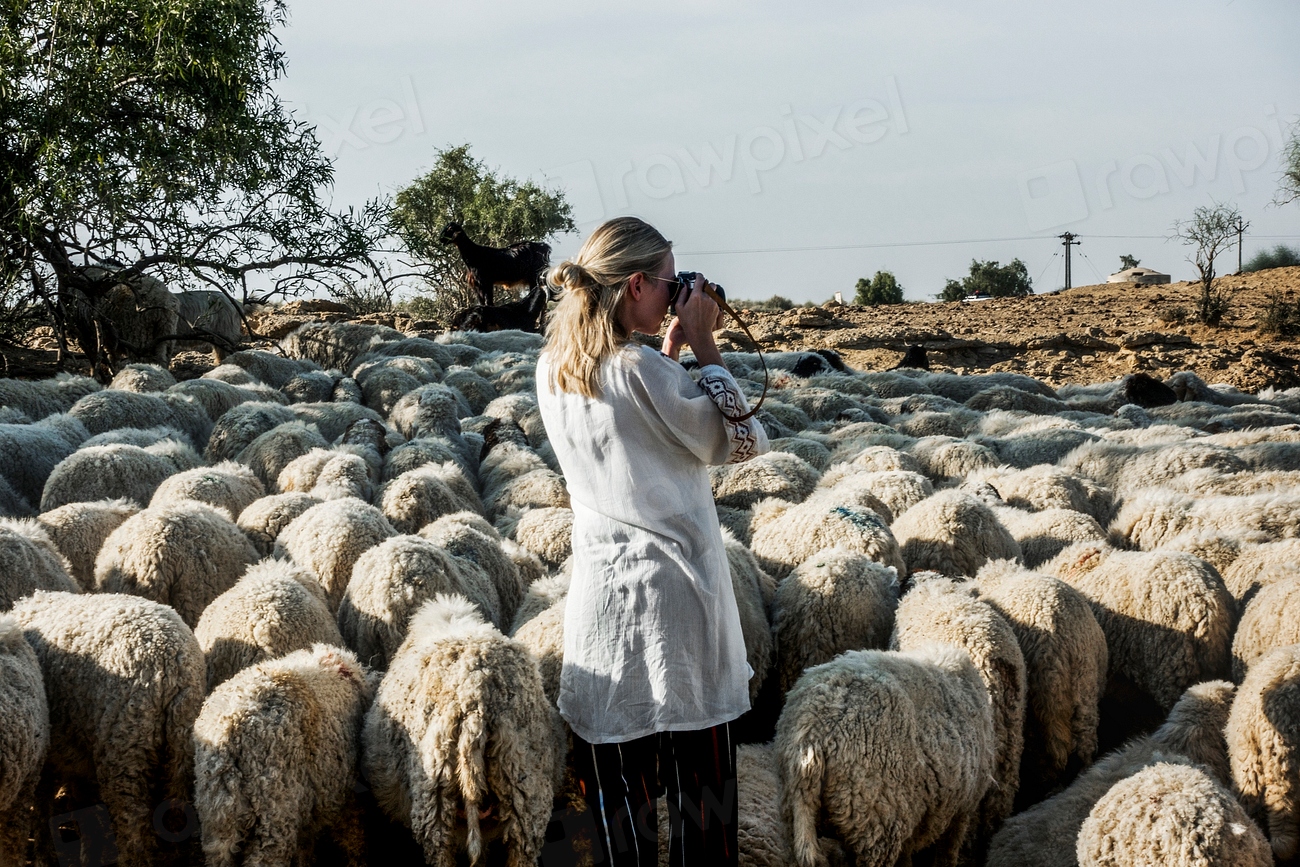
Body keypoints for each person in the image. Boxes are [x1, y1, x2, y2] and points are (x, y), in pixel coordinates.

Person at [536, 216, 768, 867]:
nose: (677, 291)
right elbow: (743, 439)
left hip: (604, 625)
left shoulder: (555, 369)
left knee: (618, 832)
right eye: (669, 281)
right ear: (635, 283)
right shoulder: (645, 373)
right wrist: (704, 344)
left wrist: (668, 352)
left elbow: (636, 425)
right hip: (681, 619)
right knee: (704, 827)